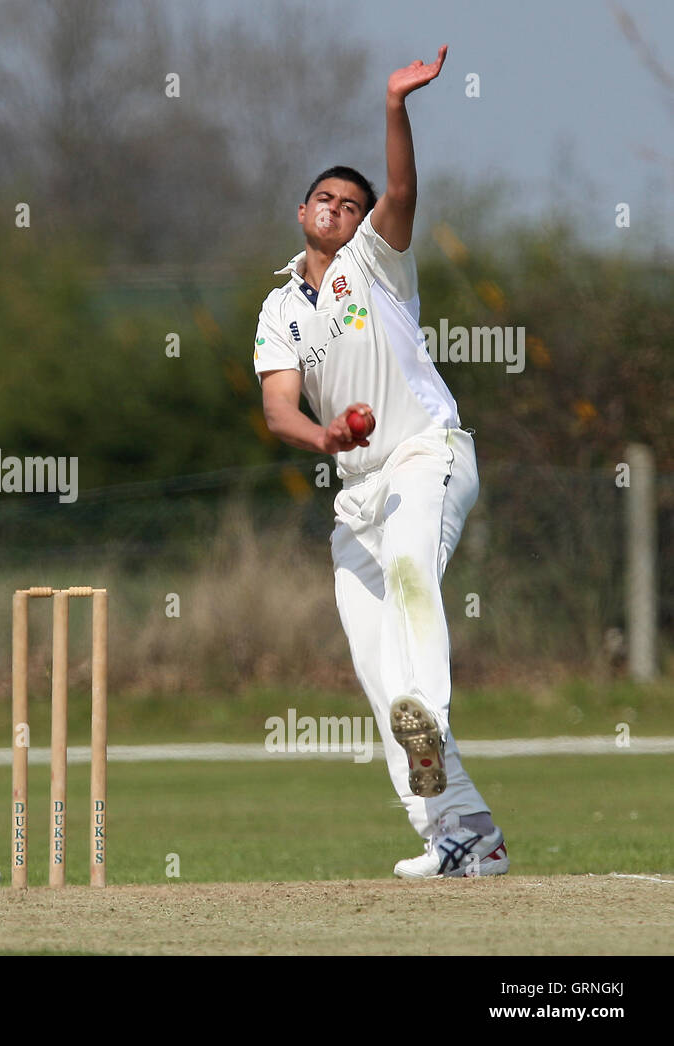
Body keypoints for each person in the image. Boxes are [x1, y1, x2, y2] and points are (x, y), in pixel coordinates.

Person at [252, 49, 509, 878]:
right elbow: (278, 407)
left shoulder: (378, 262)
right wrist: (324, 440)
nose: (337, 211)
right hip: (356, 492)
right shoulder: (280, 305)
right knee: (374, 669)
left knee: (410, 578)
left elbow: (403, 192)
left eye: (349, 205)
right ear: (301, 211)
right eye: (324, 200)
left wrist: (395, 105)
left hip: (427, 455)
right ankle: (462, 836)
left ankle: (427, 709)